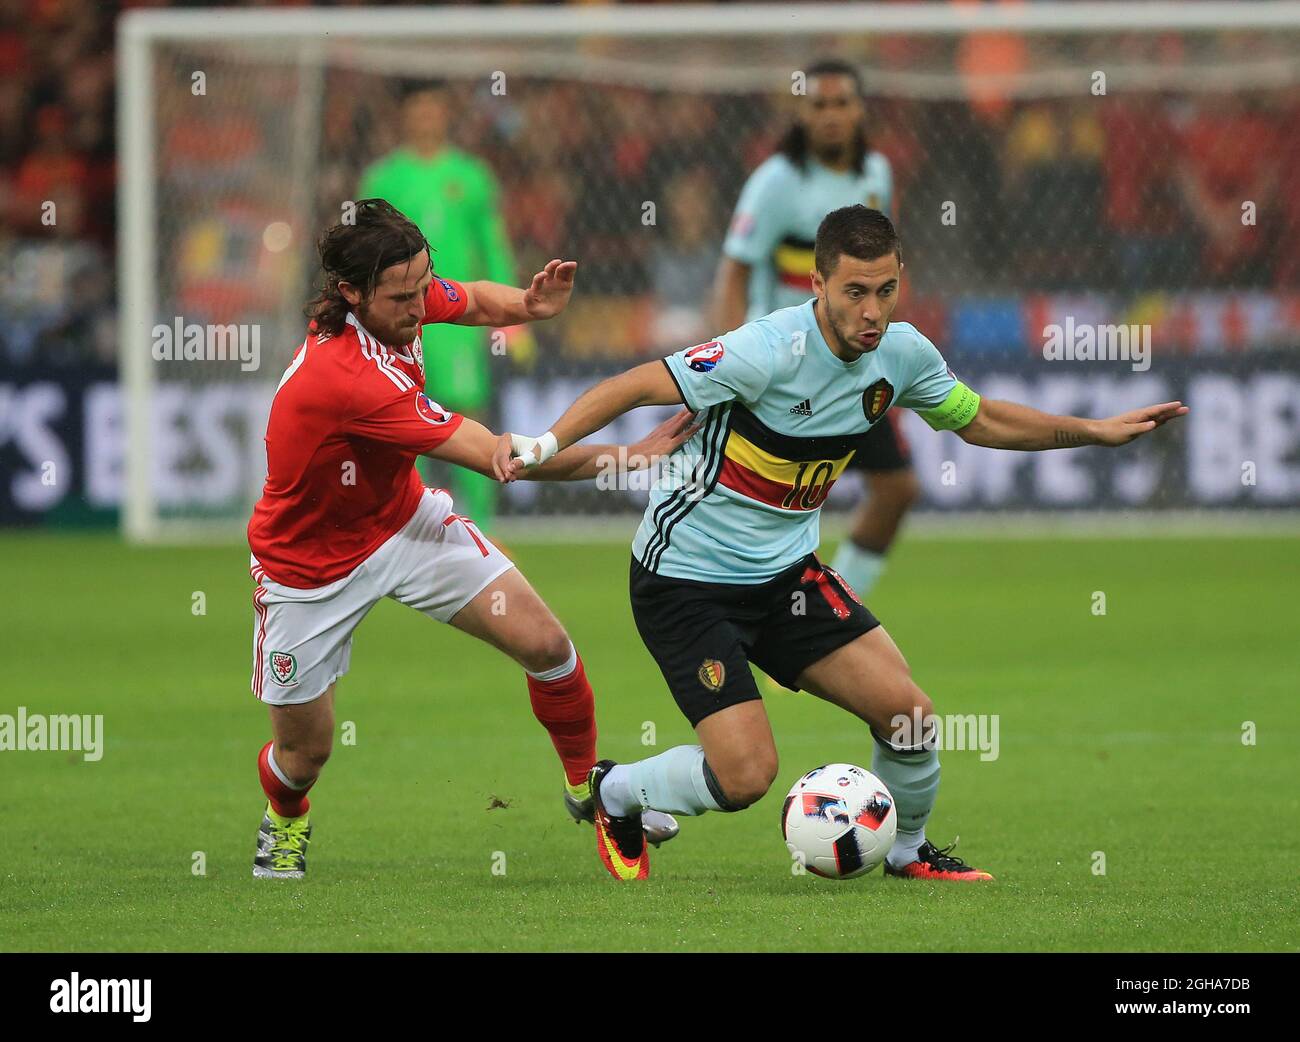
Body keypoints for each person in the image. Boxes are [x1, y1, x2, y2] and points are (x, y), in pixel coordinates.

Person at [499, 206, 1187, 882]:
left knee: (910, 717)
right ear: (818, 284)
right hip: (685, 581)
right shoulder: (765, 351)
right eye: (855, 292)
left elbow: (981, 421)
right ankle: (615, 794)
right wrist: (545, 444)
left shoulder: (902, 353)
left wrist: (1092, 431)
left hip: (785, 579)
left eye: (886, 290)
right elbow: (631, 385)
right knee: (746, 778)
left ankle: (908, 852)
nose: (872, 311)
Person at [247, 200, 685, 878]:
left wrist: (530, 305)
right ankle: (284, 820)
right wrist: (625, 455)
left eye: (424, 285)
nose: (421, 306)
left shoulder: (399, 297)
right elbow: (504, 457)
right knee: (305, 757)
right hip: (307, 570)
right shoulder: (349, 378)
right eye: (403, 297)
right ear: (351, 295)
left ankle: (589, 791)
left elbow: (473, 299)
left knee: (548, 645)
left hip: (402, 522)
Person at [713, 58, 914, 602]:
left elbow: (888, 265)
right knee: (782, 507)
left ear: (860, 109)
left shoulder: (877, 173)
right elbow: (733, 270)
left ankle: (838, 605)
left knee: (895, 489)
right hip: (785, 367)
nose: (830, 116)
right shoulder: (777, 180)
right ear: (801, 113)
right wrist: (734, 358)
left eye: (841, 103)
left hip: (849, 366)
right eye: (818, 105)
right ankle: (782, 613)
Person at [359, 82, 518, 531]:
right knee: (408, 416)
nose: (427, 118)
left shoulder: (471, 176)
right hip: (400, 317)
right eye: (419, 109)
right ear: (405, 117)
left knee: (472, 413)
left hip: (458, 314)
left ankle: (484, 524)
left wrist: (512, 311)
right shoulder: (383, 179)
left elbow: (492, 245)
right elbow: (365, 250)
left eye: (434, 109)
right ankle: (417, 520)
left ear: (445, 115)